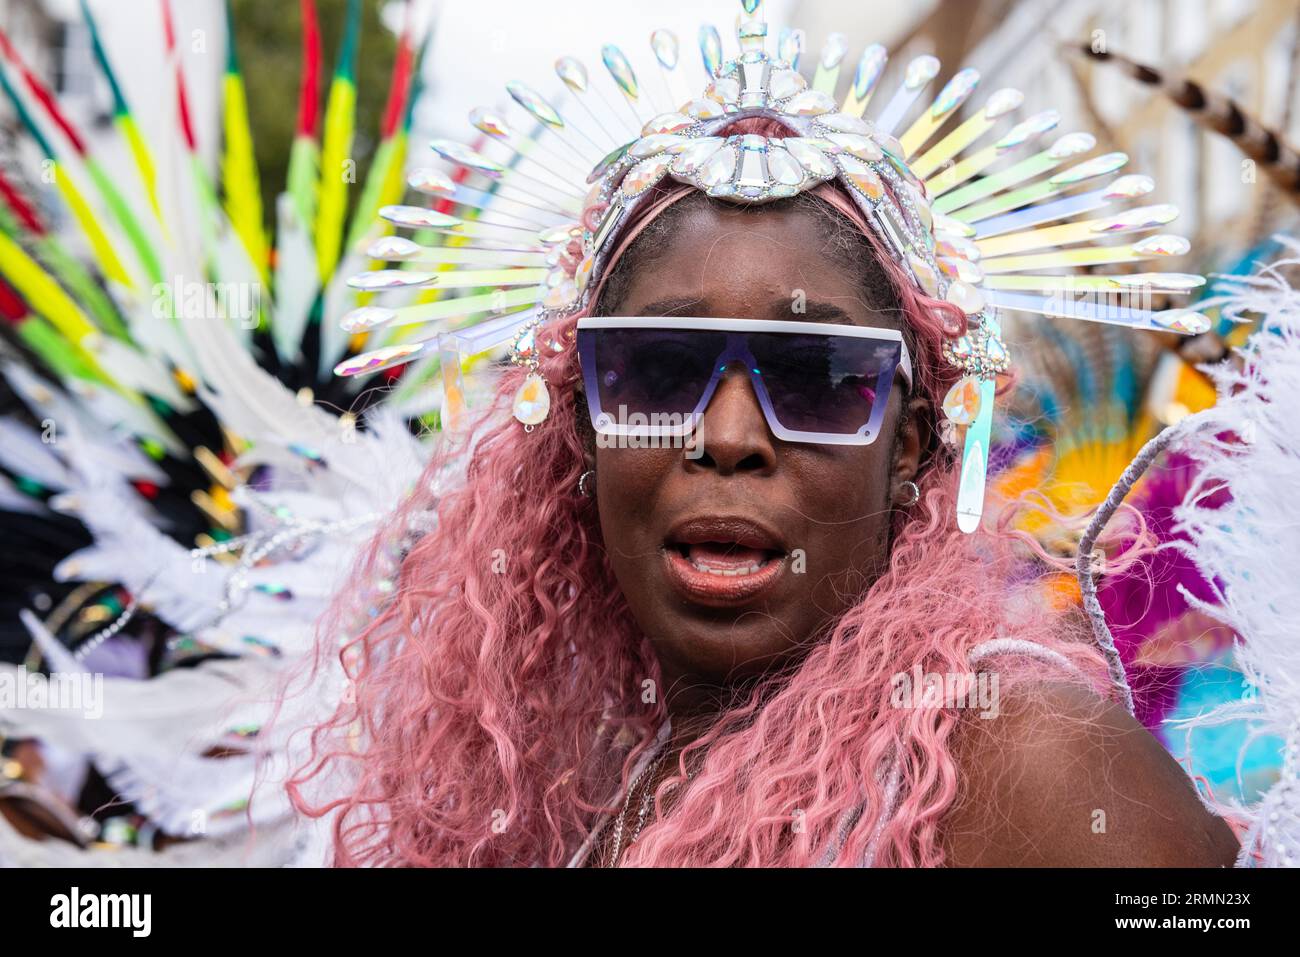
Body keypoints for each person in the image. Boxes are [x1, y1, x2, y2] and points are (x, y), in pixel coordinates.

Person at [287, 95, 1240, 865]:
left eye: (815, 379)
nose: (728, 437)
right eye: (657, 371)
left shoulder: (1039, 772)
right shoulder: (558, 779)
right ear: (582, 429)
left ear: (908, 446)